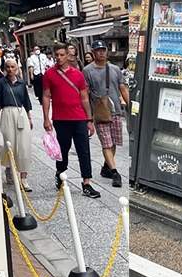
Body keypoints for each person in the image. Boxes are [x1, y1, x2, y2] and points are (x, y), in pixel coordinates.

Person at [42, 45, 100, 198]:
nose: (59, 57)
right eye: (57, 55)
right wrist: (46, 118)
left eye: (62, 55)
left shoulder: (78, 75)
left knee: (84, 150)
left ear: (68, 55)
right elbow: (46, 96)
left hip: (79, 118)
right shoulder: (49, 74)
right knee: (63, 150)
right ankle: (60, 173)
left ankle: (86, 183)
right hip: (60, 119)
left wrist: (89, 119)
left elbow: (84, 98)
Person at [84, 40, 129, 187]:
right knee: (106, 143)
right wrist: (88, 116)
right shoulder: (87, 71)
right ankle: (115, 172)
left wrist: (130, 105)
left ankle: (106, 166)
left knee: (114, 142)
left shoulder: (115, 69)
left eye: (103, 50)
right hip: (100, 112)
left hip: (115, 110)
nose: (101, 53)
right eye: (98, 50)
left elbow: (123, 88)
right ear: (93, 52)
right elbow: (85, 94)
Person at [0, 57, 34, 191]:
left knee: (23, 145)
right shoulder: (2, 83)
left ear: (17, 68)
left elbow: (26, 101)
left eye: (13, 67)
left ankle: (24, 178)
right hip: (7, 113)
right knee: (9, 143)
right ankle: (9, 170)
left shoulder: (22, 83)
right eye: (8, 67)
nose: (10, 69)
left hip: (20, 114)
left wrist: (29, 117)